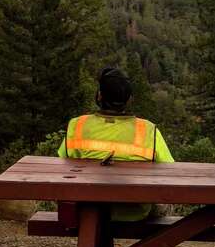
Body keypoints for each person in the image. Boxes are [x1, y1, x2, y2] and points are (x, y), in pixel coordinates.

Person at [57, 67, 175, 224]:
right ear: (129, 99)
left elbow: (60, 164)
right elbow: (169, 169)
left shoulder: (77, 125)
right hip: (134, 210)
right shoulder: (147, 130)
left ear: (99, 96)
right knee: (163, 207)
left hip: (86, 208)